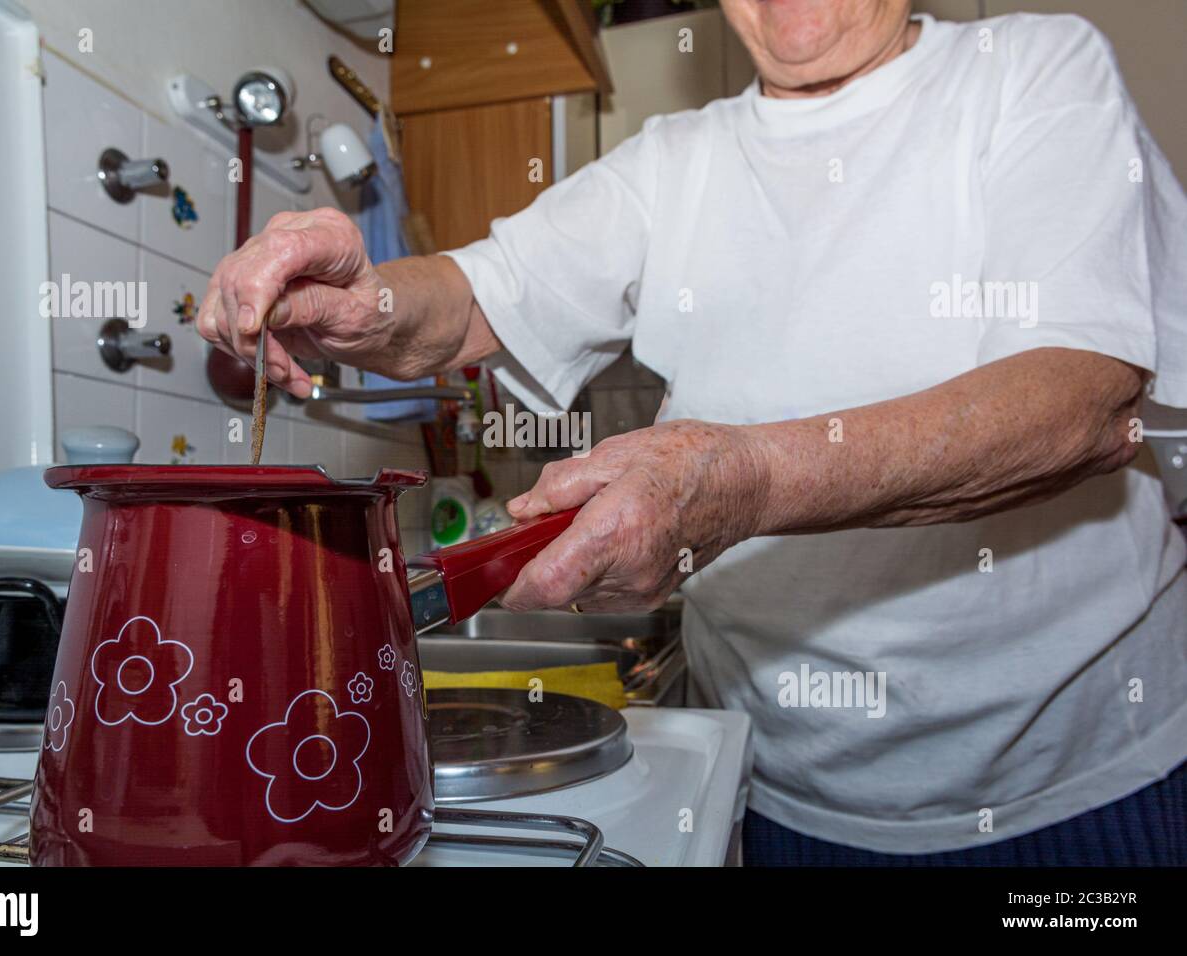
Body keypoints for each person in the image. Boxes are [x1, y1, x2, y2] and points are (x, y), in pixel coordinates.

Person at [199, 0, 1187, 865]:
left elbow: (1080, 401)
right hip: (779, 789)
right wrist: (365, 299)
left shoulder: (1034, 69)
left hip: (1085, 781)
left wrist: (738, 479)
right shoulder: (675, 161)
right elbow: (465, 299)